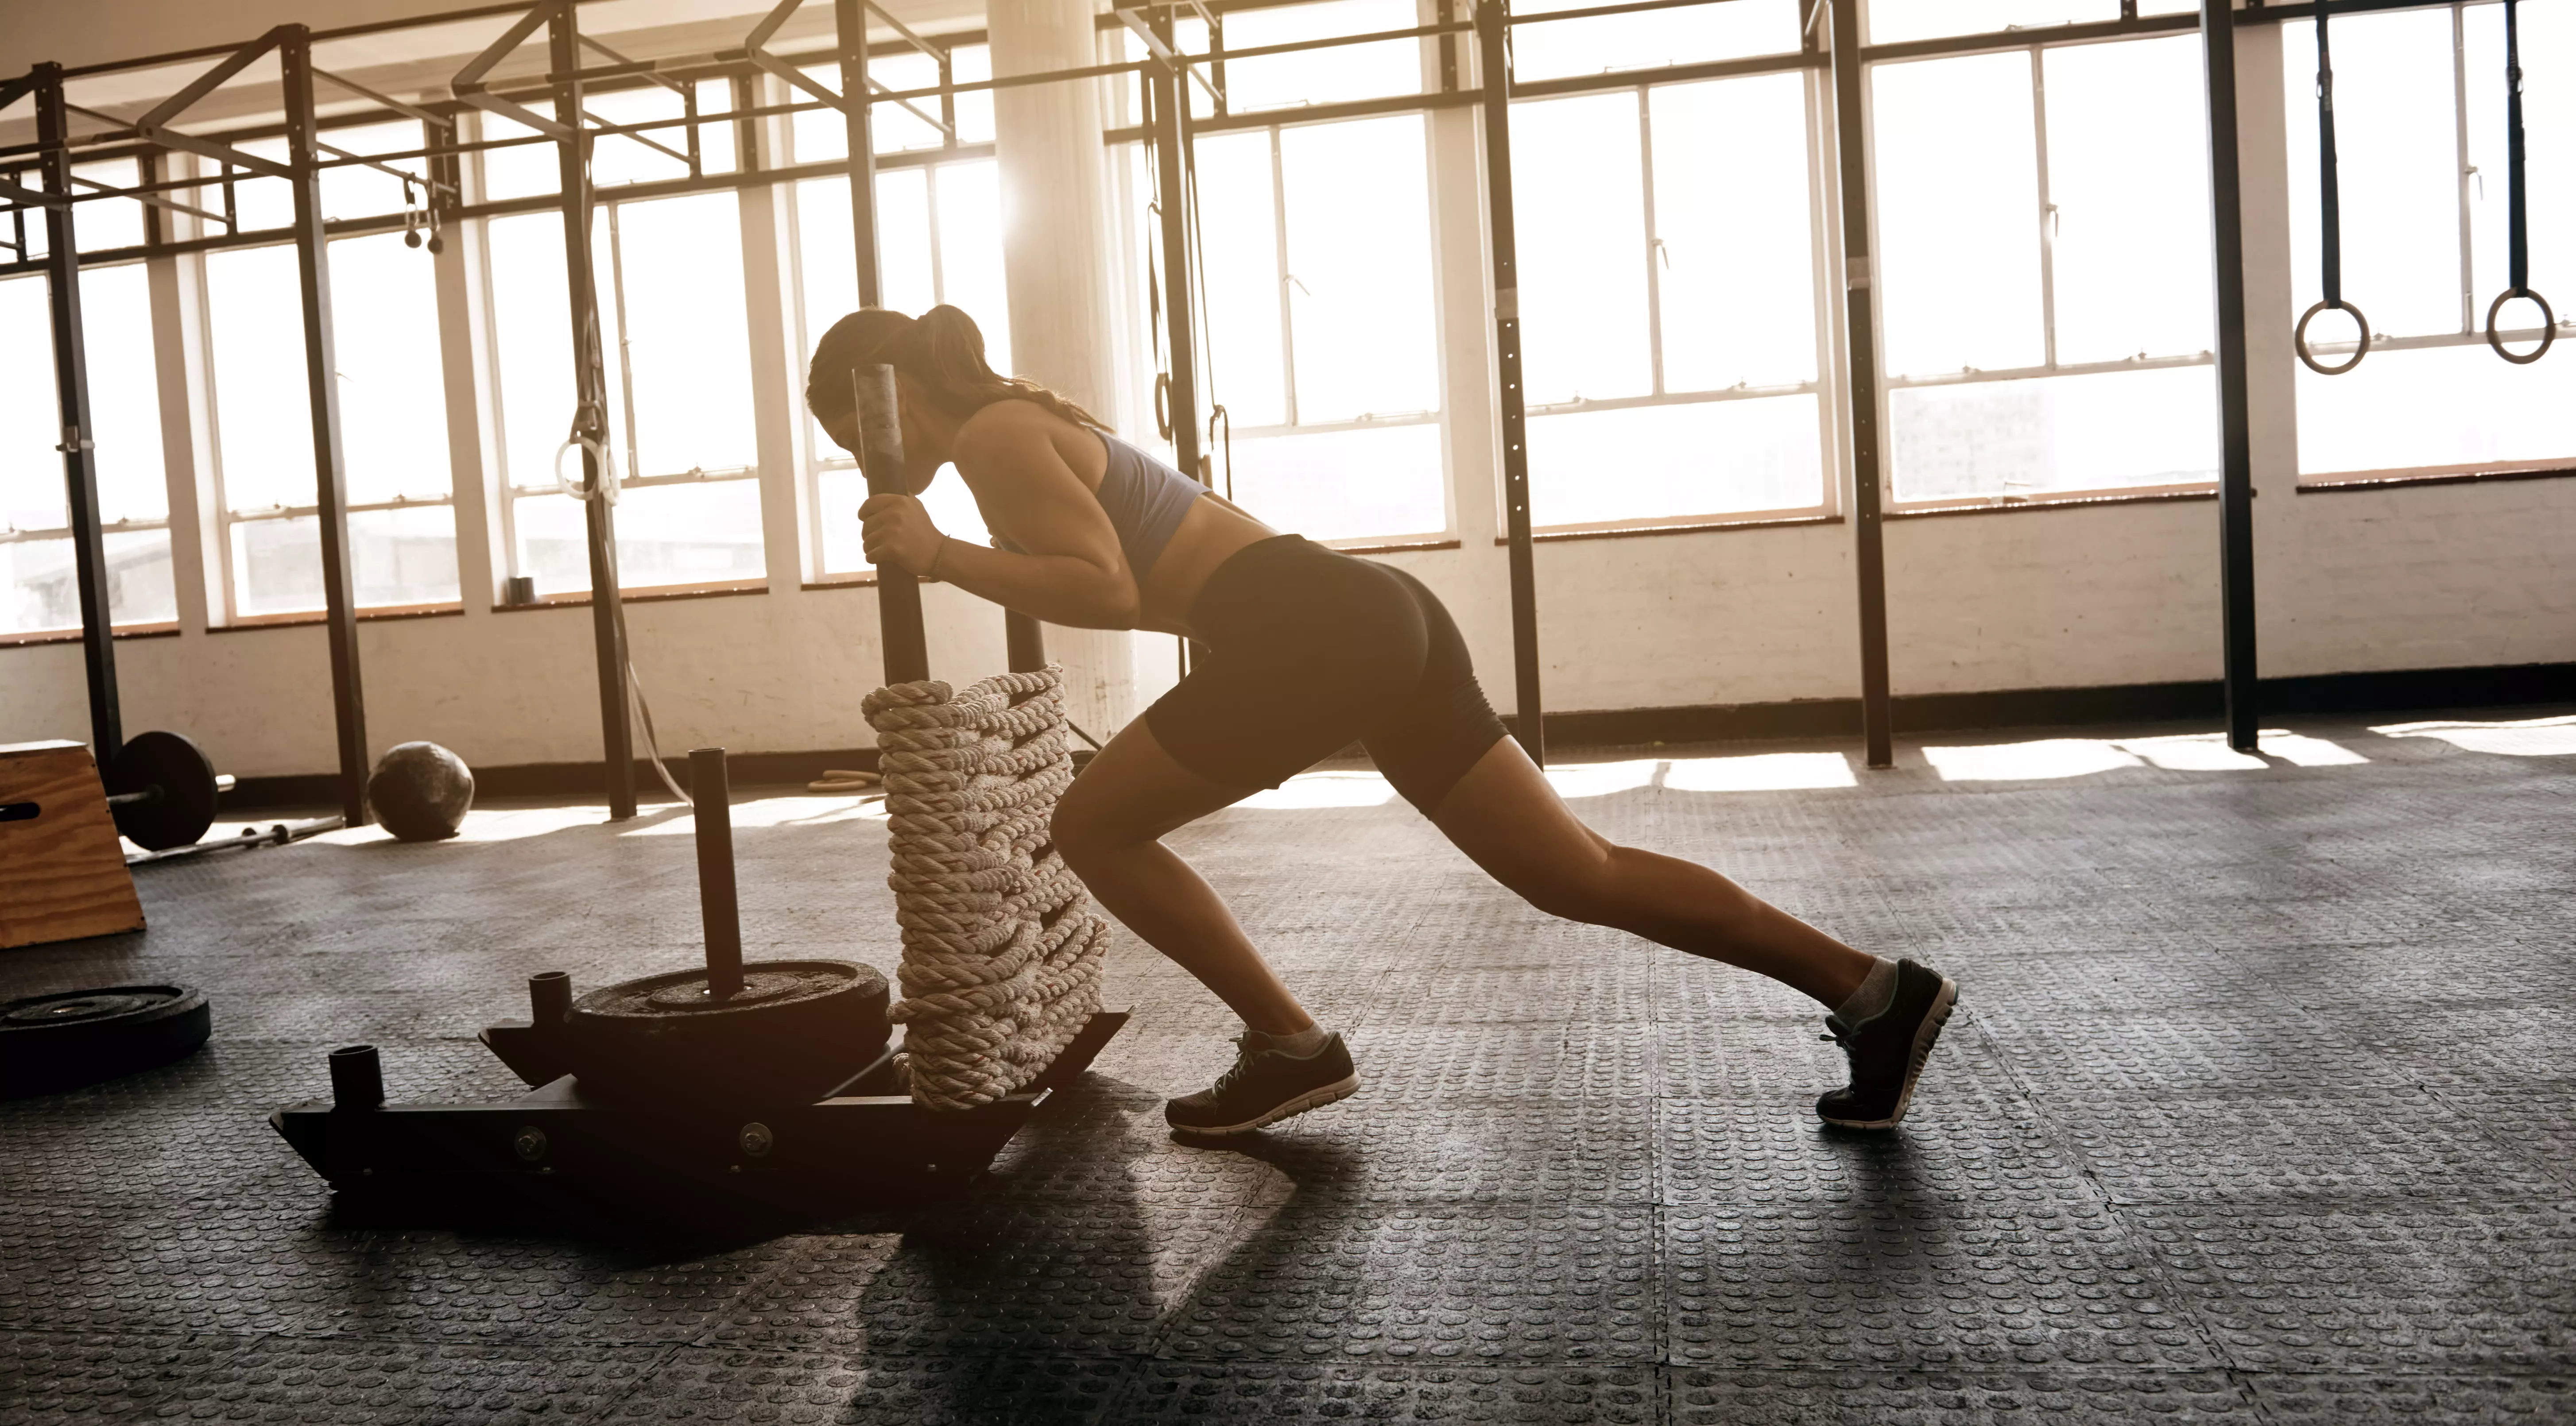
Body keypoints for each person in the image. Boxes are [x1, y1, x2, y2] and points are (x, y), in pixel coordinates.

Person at [807, 305, 1957, 1136]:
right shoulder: (1021, 425)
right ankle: (1871, 989)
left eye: (853, 426)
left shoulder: (996, 440)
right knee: (1576, 870)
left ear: (889, 386)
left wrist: (943, 554)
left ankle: (1288, 1046)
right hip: (1364, 609)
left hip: (1302, 624)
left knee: (1094, 825)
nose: (863, 453)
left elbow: (1104, 588)